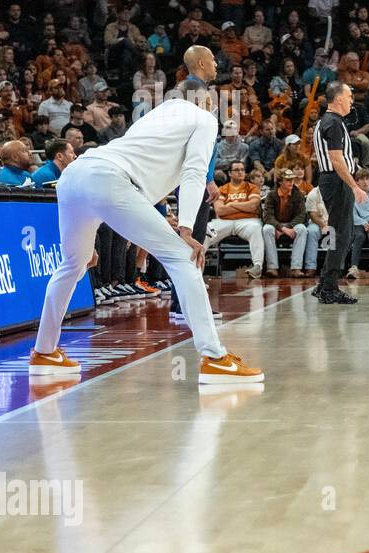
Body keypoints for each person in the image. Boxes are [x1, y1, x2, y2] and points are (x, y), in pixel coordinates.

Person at [29, 45, 261, 384]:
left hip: (76, 176)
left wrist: (88, 236)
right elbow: (195, 173)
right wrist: (184, 228)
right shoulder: (204, 118)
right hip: (110, 181)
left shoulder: (156, 114)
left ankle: (45, 351)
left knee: (73, 265)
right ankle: (214, 358)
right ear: (204, 101)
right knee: (184, 257)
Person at [312, 82, 368, 304]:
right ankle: (329, 288)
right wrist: (354, 185)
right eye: (349, 96)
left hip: (332, 180)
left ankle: (324, 282)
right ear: (338, 99)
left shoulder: (325, 122)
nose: (352, 100)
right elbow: (336, 159)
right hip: (336, 181)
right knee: (341, 234)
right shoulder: (333, 123)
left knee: (340, 232)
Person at [260, 168, 309, 277]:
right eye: (288, 180)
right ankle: (272, 267)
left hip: (291, 225)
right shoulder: (271, 195)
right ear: (280, 181)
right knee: (267, 229)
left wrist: (288, 227)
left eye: (292, 179)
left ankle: (296, 268)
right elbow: (267, 216)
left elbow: (301, 216)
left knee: (302, 229)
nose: (291, 182)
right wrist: (281, 228)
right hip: (276, 225)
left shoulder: (298, 195)